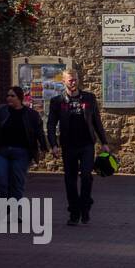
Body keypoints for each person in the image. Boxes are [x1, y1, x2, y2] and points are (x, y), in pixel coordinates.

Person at [46, 70, 111, 226]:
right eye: (70, 80)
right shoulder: (57, 101)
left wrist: (104, 142)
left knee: (87, 176)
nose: (73, 83)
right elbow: (51, 124)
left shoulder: (89, 98)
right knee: (70, 180)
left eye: (75, 80)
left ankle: (85, 207)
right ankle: (74, 212)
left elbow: (96, 121)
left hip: (87, 144)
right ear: (64, 81)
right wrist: (54, 144)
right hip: (68, 145)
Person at [0, 86, 47, 199]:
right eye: (8, 95)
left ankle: (14, 209)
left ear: (19, 98)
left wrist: (43, 148)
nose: (9, 98)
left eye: (12, 96)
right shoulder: (0, 111)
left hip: (22, 152)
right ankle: (2, 205)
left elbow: (39, 132)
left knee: (17, 182)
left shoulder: (31, 114)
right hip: (1, 151)